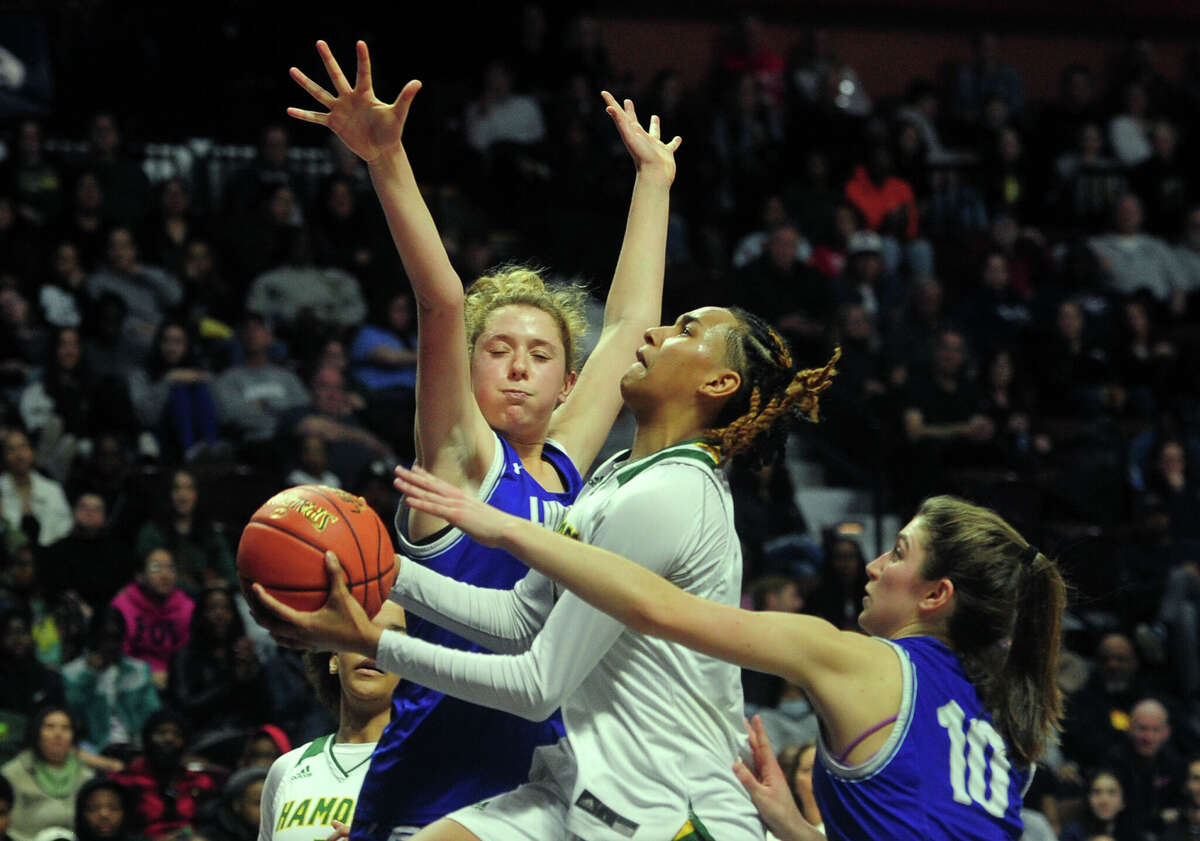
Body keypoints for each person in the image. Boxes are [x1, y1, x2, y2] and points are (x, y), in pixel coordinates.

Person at [254, 300, 840, 841]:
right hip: (586, 784)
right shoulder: (615, 476)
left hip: (669, 807)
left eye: (685, 330)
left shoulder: (673, 493)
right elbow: (518, 618)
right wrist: (372, 570)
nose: (657, 332)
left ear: (718, 383)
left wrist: (372, 641)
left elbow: (537, 686)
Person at [283, 39, 678, 835]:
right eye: (498, 350)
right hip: (431, 782)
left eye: (541, 355)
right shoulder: (462, 460)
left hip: (540, 781)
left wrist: (654, 180)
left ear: (569, 383)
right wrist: (387, 161)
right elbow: (439, 299)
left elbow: (633, 324)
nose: (520, 368)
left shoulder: (568, 471)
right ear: (467, 369)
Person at [375, 470, 1063, 841]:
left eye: (900, 553)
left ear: (936, 594)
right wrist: (794, 825)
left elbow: (655, 607)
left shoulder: (856, 659)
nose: (877, 563)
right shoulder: (1006, 721)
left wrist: (504, 528)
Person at [258, 647, 401, 841]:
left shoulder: (430, 769)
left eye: (389, 641)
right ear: (334, 659)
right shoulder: (286, 768)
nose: (372, 650)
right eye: (357, 641)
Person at [0, 706, 94, 841]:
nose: (58, 734)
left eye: (65, 728)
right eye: (50, 727)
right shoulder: (12, 773)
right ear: (37, 733)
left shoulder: (87, 775)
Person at [1057, 769, 1138, 841]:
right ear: (1088, 799)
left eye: (1112, 793)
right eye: (1097, 792)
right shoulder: (1073, 834)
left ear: (1123, 802)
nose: (1104, 800)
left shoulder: (1135, 834)